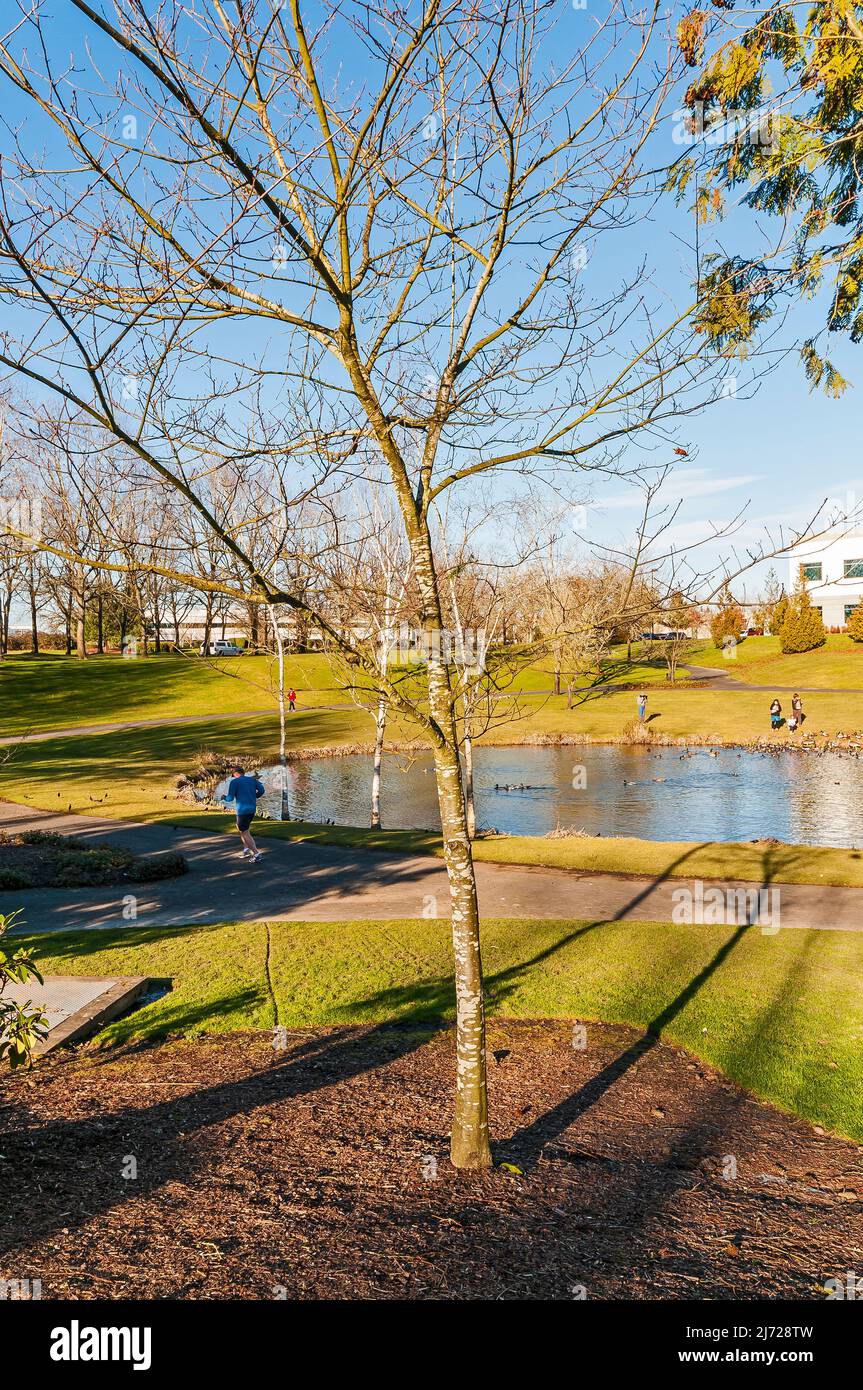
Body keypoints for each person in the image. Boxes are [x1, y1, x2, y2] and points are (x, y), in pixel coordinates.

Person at [222, 765, 266, 862]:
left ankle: (256, 853)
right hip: (252, 809)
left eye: (233, 775)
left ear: (235, 773)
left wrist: (223, 797)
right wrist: (254, 796)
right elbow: (262, 790)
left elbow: (230, 798)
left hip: (242, 811)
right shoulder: (252, 780)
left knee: (245, 832)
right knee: (242, 829)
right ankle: (246, 850)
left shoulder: (234, 782)